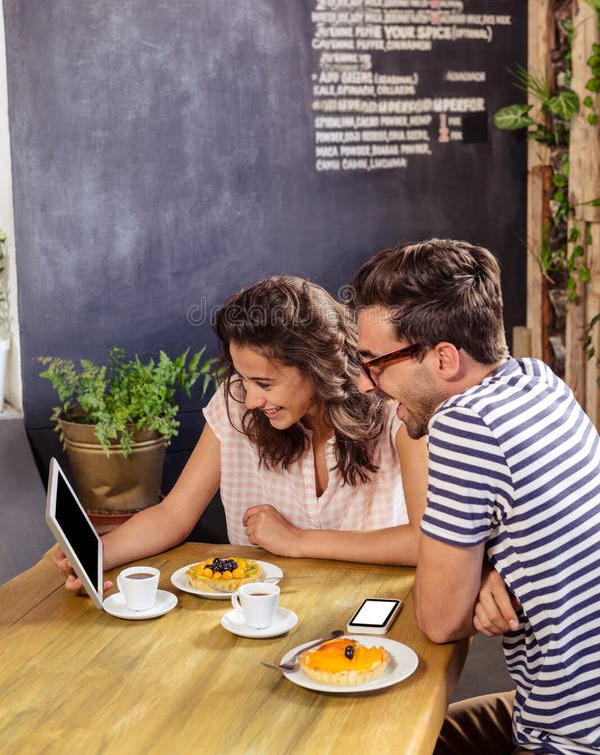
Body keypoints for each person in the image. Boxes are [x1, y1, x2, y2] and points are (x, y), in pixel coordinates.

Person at [352, 238, 600, 755]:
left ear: (443, 358)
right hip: (577, 708)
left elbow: (440, 620)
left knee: (381, 740)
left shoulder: (466, 426)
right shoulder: (538, 381)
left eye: (375, 362)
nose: (366, 383)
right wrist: (486, 572)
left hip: (568, 738)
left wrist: (469, 580)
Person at [54, 275, 428, 590]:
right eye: (243, 378)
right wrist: (98, 553)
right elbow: (172, 514)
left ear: (317, 368)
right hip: (259, 609)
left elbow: (423, 543)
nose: (249, 400)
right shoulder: (236, 403)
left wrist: (297, 541)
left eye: (264, 383)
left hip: (370, 604)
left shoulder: (396, 408)